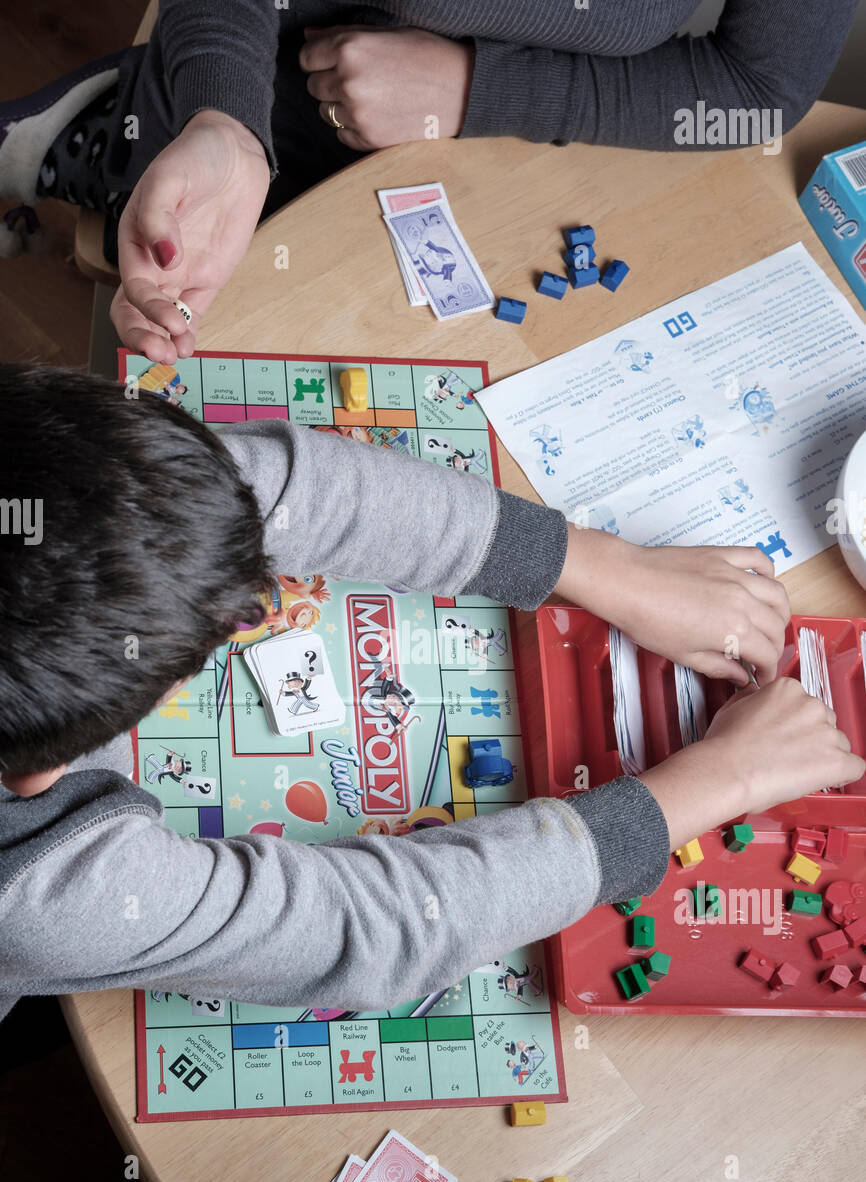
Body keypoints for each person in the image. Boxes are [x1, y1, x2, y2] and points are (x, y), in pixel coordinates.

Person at [0, 362, 861, 1022]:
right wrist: (722, 784)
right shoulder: (45, 898)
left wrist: (600, 564)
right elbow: (372, 928)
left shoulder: (38, 468)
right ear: (44, 773)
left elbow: (279, 493)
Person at [0, 2, 858, 358]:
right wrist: (224, 120)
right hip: (278, 86)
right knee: (155, 325)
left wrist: (474, 86)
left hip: (505, 148)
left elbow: (756, 91)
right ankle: (118, 134)